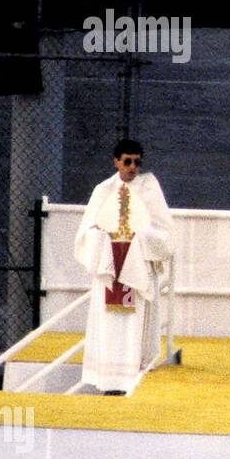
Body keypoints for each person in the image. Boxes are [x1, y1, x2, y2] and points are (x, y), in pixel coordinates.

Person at [74, 139, 174, 395]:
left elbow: (166, 234)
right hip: (110, 269)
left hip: (137, 267)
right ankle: (110, 381)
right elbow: (85, 234)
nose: (132, 167)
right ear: (116, 161)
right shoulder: (103, 191)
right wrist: (103, 236)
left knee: (133, 324)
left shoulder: (150, 189)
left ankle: (132, 378)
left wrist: (139, 237)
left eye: (137, 162)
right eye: (127, 161)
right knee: (110, 325)